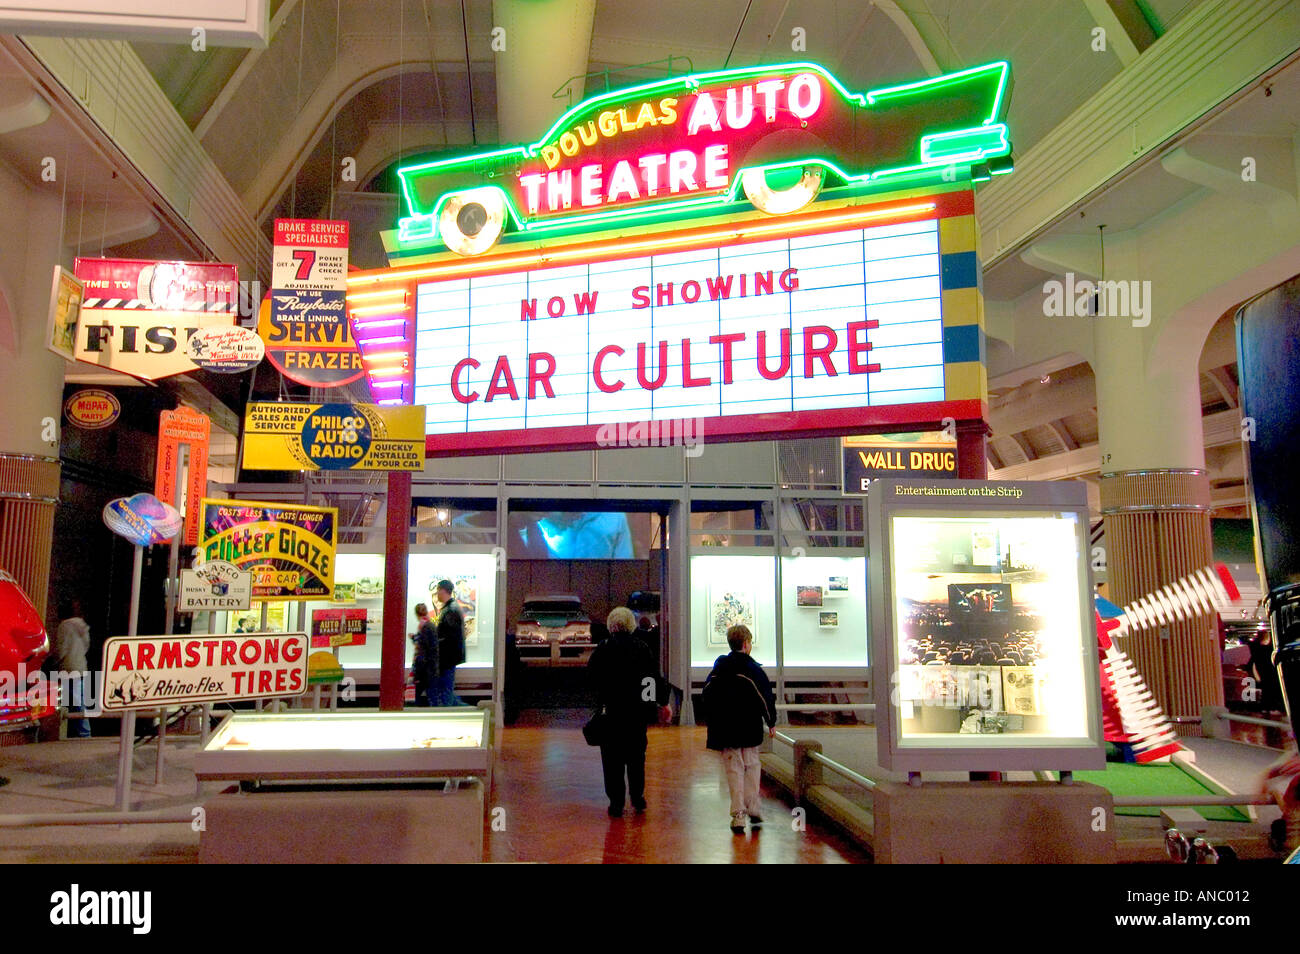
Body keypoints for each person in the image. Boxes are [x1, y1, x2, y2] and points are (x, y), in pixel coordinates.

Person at [587, 606, 669, 817]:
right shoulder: (641, 647)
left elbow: (591, 679)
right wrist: (661, 702)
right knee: (636, 757)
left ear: (610, 625)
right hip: (636, 713)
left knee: (611, 758)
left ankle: (616, 802)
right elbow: (651, 678)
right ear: (631, 625)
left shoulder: (603, 648)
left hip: (611, 713)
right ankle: (637, 797)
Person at [701, 623, 777, 834]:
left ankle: (738, 816)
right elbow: (765, 698)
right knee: (752, 763)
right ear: (746, 644)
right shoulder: (753, 670)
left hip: (724, 726)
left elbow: (707, 695)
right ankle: (753, 806)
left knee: (733, 768)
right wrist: (771, 722)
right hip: (749, 725)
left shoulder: (719, 668)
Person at [53, 598, 92, 738]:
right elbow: (86, 646)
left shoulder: (64, 626)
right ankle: (84, 732)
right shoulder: (82, 625)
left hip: (68, 668)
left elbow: (61, 650)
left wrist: (55, 661)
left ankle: (81, 732)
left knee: (64, 701)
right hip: (81, 667)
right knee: (80, 701)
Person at [434, 580, 467, 706]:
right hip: (449, 657)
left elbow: (449, 636)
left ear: (443, 590)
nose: (437, 593)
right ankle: (469, 711)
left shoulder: (450, 610)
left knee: (445, 690)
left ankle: (468, 712)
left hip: (447, 657)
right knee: (446, 690)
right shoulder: (451, 608)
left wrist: (435, 644)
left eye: (437, 590)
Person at [412, 603, 438, 707]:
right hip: (430, 668)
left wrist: (418, 670)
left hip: (425, 669)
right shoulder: (430, 624)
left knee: (419, 696)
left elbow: (424, 648)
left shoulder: (424, 626)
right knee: (432, 696)